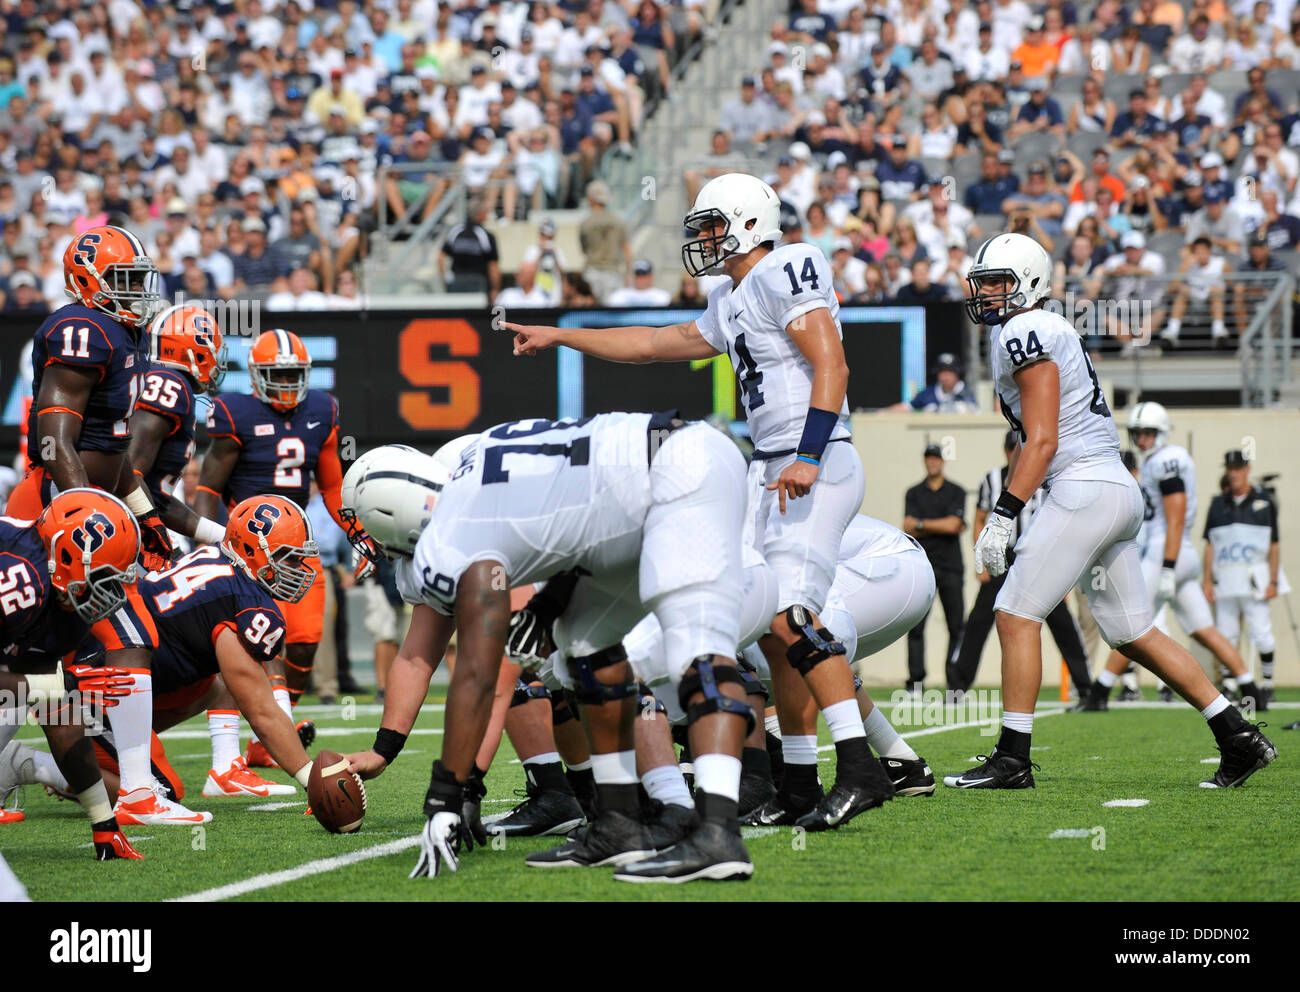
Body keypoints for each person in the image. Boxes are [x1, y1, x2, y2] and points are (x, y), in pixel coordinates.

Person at [509, 172, 894, 832]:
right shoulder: (733, 293)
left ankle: (862, 768)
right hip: (772, 468)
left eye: (713, 225)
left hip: (815, 462)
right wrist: (563, 335)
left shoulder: (786, 266)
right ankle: (798, 782)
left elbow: (832, 365)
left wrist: (807, 455)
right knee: (771, 630)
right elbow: (655, 344)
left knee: (792, 615)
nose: (704, 240)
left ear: (747, 222)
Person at [343, 418, 760, 883]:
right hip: (654, 474)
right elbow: (579, 520)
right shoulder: (474, 471)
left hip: (679, 477)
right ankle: (617, 822)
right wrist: (549, 604)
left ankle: (718, 833)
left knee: (694, 647)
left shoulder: (458, 531)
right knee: (584, 643)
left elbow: (483, 677)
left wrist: (451, 791)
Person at [947, 234, 1275, 790]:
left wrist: (1003, 514)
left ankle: (1012, 757)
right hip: (1113, 489)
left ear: (1027, 283)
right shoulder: (1043, 329)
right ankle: (1237, 735)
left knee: (1015, 612)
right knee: (1132, 631)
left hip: (1082, 486)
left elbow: (1042, 440)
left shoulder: (1026, 328)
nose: (989, 296)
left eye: (999, 283)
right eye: (985, 285)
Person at [195, 330, 381, 764]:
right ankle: (269, 741)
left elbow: (333, 486)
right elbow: (207, 487)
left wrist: (358, 532)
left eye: (294, 374)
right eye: (277, 374)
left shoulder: (321, 408)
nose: (286, 383)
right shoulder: (234, 412)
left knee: (305, 641)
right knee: (267, 643)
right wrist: (208, 542)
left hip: (296, 541)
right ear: (257, 376)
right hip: (247, 546)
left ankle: (266, 742)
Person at [1081, 403, 1263, 710]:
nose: (1141, 439)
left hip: (1166, 551)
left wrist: (1166, 565)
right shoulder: (1157, 460)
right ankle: (1251, 688)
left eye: (1148, 433)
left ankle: (1099, 693)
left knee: (1130, 627)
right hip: (1179, 552)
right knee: (1204, 630)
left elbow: (1175, 514)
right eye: (1137, 433)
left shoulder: (1167, 460)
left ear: (1161, 432)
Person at [0, 489, 146, 855]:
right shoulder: (20, 575)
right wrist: (61, 682)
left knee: (24, 698)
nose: (110, 591)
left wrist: (103, 822)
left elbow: (56, 709)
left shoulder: (60, 595)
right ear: (67, 555)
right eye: (104, 576)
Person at [949, 430, 1093, 695]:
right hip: (1002, 557)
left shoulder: (1045, 477)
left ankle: (1085, 685)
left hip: (1038, 558)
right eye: (1010, 449)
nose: (1013, 454)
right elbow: (979, 518)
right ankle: (958, 686)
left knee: (1061, 621)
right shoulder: (992, 480)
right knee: (979, 620)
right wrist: (979, 560)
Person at [126, 305, 230, 553]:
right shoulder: (169, 383)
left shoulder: (160, 380)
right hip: (104, 519)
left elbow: (156, 498)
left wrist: (223, 536)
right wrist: (159, 538)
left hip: (120, 516)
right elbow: (127, 474)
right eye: (212, 351)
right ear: (197, 354)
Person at [1203, 450, 1281, 705]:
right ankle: (1228, 684)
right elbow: (1210, 545)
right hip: (1225, 577)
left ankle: (1267, 683)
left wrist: (1273, 580)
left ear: (1247, 469)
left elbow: (1274, 544)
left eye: (1238, 467)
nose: (1234, 472)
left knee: (1262, 632)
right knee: (1226, 634)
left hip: (1254, 578)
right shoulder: (1217, 504)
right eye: (1230, 468)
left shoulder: (1264, 502)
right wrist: (1206, 580)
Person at [902, 444, 967, 692]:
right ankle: (915, 684)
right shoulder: (914, 493)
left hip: (951, 567)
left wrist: (922, 523)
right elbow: (908, 526)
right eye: (928, 458)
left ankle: (954, 684)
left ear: (943, 462)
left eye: (936, 458)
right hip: (922, 568)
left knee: (956, 627)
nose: (932, 462)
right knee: (915, 626)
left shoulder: (956, 491)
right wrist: (940, 524)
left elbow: (954, 525)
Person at [578, 180, 630, 304]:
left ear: (590, 199)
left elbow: (584, 250)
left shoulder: (585, 223)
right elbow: (627, 250)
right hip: (612, 272)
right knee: (611, 317)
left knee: (592, 315)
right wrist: (628, 274)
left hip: (592, 272)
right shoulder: (618, 221)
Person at [440, 199, 501, 297]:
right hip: (478, 283)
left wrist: (446, 277)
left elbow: (440, 257)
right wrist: (495, 289)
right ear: (481, 214)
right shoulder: (486, 236)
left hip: (456, 282)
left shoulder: (456, 231)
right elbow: (493, 266)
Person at [893, 353, 979, 413]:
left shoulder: (967, 394)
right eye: (942, 372)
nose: (945, 377)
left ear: (957, 373)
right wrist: (882, 413)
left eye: (949, 371)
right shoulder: (928, 393)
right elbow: (907, 407)